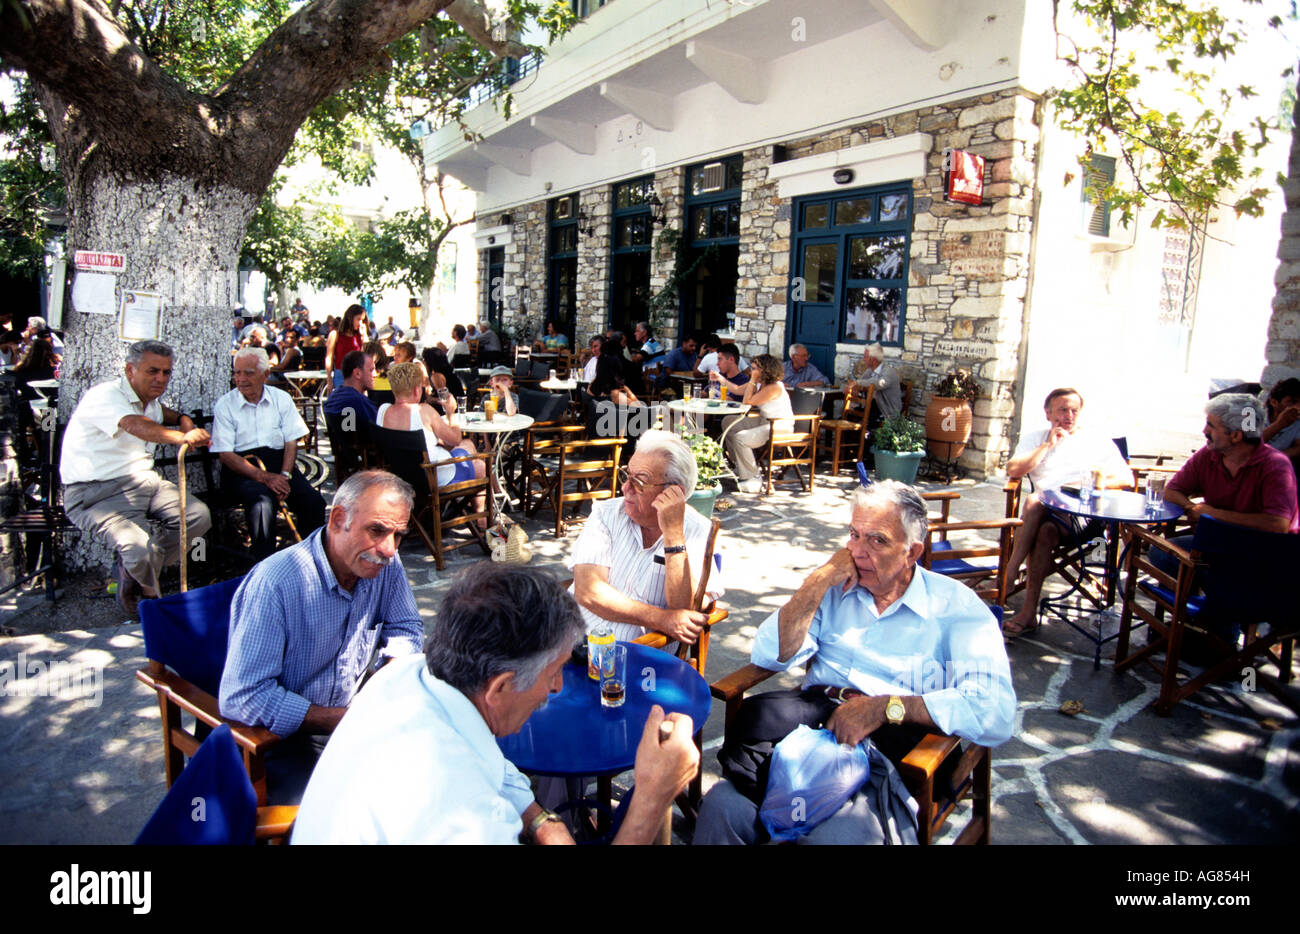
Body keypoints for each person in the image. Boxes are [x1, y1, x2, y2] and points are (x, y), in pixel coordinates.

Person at [694, 480, 1015, 845]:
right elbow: (770, 654)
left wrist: (886, 708)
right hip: (806, 738)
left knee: (830, 840)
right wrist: (817, 581)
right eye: (854, 535)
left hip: (887, 759)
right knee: (722, 808)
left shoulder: (956, 608)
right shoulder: (836, 589)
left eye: (877, 540)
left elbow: (996, 711)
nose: (857, 552)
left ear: (912, 552)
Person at [290, 562, 699, 844]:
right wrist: (653, 796)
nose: (556, 687)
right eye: (552, 672)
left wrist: (539, 819)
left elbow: (489, 760)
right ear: (501, 686)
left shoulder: (405, 675)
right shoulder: (465, 814)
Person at [219, 469, 425, 805]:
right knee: (352, 816)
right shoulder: (276, 584)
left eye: (398, 535)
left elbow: (405, 627)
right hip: (285, 740)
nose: (388, 548)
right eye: (377, 530)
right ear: (338, 519)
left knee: (435, 786)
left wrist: (388, 676)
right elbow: (244, 697)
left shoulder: (384, 562)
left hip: (356, 720)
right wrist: (341, 720)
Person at [59, 340, 212, 616]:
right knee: (140, 548)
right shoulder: (105, 395)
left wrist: (184, 418)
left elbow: (163, 413)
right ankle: (149, 601)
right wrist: (183, 437)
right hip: (95, 494)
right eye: (153, 371)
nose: (160, 379)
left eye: (166, 372)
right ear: (130, 370)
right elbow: (134, 424)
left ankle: (136, 571)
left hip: (144, 482)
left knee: (198, 516)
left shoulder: (149, 401)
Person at [1002, 388, 1133, 637]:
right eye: (1063, 410)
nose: (1069, 416)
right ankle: (1028, 613)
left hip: (1083, 516)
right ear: (1048, 413)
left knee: (1033, 500)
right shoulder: (1035, 438)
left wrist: (1093, 483)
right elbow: (1014, 470)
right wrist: (1047, 445)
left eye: (1074, 410)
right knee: (1043, 531)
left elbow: (1126, 477)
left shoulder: (1096, 441)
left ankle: (1009, 574)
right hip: (1046, 518)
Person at [570, 429, 721, 644]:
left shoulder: (698, 530)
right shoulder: (607, 514)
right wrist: (661, 618)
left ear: (673, 493)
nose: (625, 488)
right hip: (575, 642)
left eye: (639, 482)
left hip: (643, 656)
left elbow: (684, 609)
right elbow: (588, 592)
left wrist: (674, 535)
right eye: (626, 475)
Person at [211, 348, 327, 561]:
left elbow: (291, 441)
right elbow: (226, 455)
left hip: (279, 464)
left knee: (313, 502)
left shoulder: (281, 398)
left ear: (265, 374)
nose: (241, 379)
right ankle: (263, 567)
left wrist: (284, 475)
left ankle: (312, 561)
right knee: (263, 504)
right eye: (237, 373)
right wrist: (266, 478)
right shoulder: (226, 405)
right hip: (243, 469)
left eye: (248, 373)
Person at [1162, 393, 1298, 537]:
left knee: (1163, 555)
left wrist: (1211, 514)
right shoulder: (1209, 454)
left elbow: (1278, 525)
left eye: (1211, 426)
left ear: (1236, 436)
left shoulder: (1275, 465)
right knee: (1160, 553)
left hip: (1264, 552)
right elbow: (1171, 492)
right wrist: (1194, 509)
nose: (1204, 431)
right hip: (1218, 541)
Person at [376, 362, 486, 516]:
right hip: (433, 479)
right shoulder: (424, 411)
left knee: (467, 445)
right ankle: (479, 515)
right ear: (416, 390)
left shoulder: (383, 410)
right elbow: (455, 439)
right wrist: (450, 413)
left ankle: (450, 505)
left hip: (401, 475)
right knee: (480, 465)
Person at [723, 354, 794, 494]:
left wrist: (753, 380)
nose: (751, 371)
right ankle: (740, 464)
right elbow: (738, 390)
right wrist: (721, 379)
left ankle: (753, 478)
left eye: (755, 369)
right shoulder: (761, 384)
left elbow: (747, 401)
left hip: (780, 425)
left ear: (764, 370)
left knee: (741, 438)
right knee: (729, 422)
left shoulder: (773, 387)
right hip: (764, 420)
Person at [851, 342, 902, 426]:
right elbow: (862, 382)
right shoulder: (870, 371)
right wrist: (856, 388)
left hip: (886, 412)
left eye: (865, 357)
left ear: (872, 359)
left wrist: (857, 383)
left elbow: (879, 383)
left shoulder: (889, 372)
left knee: (861, 425)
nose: (863, 359)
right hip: (871, 409)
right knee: (848, 417)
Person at [322, 350, 378, 423]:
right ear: (357, 373)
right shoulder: (359, 403)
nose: (375, 374)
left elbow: (348, 430)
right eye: (371, 370)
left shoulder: (333, 399)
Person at [325, 304, 368, 389]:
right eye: (358, 319)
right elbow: (329, 357)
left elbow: (367, 355)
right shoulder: (335, 334)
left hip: (358, 375)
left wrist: (364, 336)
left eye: (362, 320)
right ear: (350, 318)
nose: (360, 323)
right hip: (340, 374)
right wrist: (329, 379)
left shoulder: (360, 336)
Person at [1262, 378, 1300, 464]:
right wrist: (1280, 424)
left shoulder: (1298, 422)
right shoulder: (1256, 416)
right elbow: (1249, 445)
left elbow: (1298, 449)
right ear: (1274, 402)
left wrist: (1273, 458)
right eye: (1292, 402)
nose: (1298, 406)